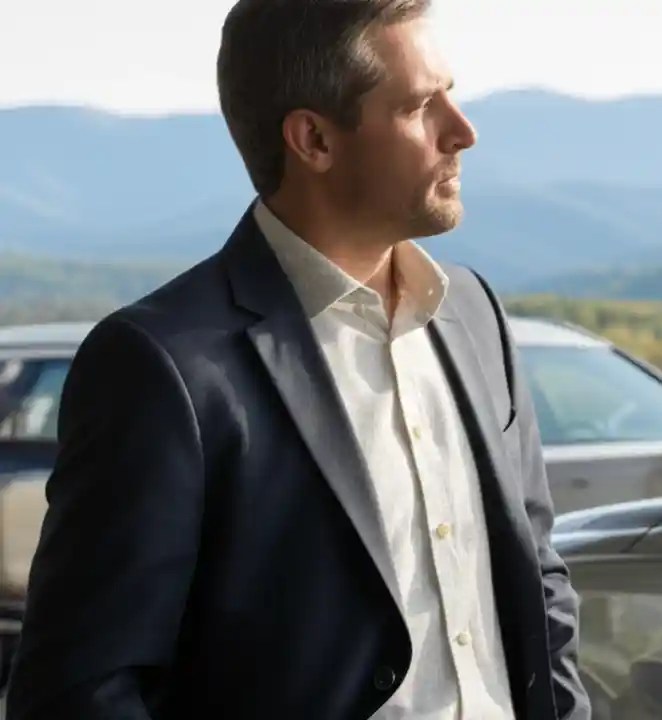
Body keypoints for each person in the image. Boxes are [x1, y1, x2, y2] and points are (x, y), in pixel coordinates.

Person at [5, 1, 588, 718]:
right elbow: (79, 689)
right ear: (313, 138)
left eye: (451, 95)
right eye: (418, 106)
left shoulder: (474, 316)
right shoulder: (162, 367)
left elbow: (540, 586)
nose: (462, 132)